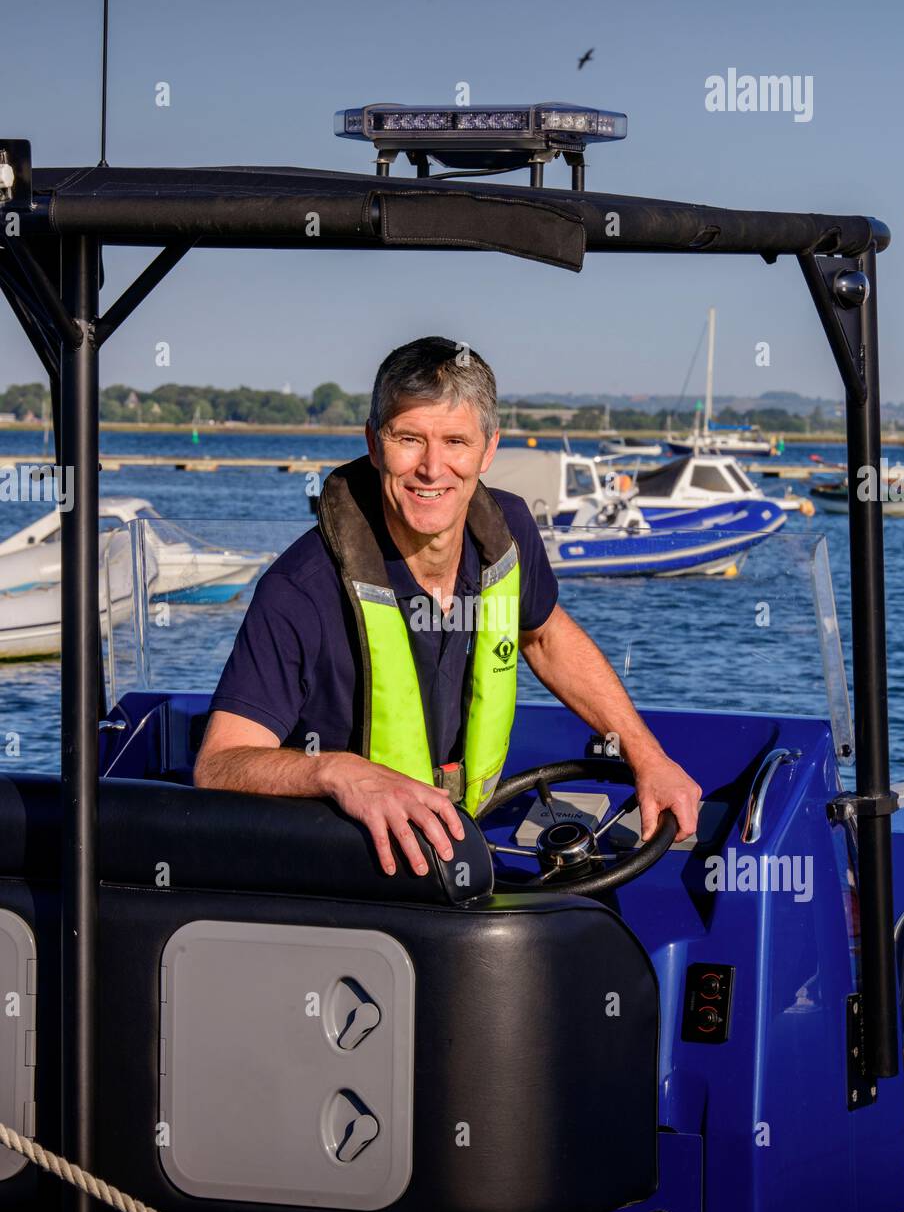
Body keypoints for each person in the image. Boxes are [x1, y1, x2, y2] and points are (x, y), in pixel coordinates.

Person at [195, 336, 701, 876]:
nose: (432, 469)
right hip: (342, 868)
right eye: (409, 439)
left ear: (488, 449)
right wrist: (336, 772)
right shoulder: (300, 588)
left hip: (461, 846)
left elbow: (546, 637)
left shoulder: (506, 535)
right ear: (373, 444)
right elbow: (219, 764)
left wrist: (648, 758)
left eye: (456, 442)